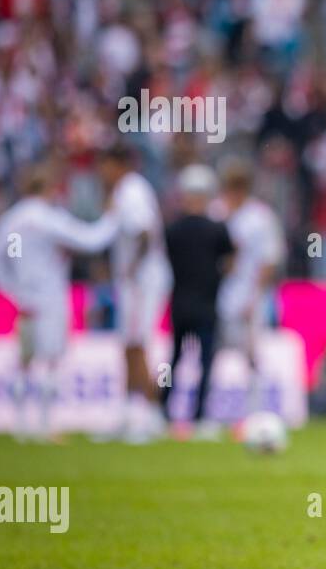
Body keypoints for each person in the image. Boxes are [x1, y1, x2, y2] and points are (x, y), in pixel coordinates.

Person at [0, 162, 118, 442]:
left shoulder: (13, 218)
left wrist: (12, 288)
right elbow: (90, 240)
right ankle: (45, 425)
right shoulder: (48, 218)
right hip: (51, 298)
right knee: (51, 361)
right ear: (48, 188)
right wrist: (113, 217)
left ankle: (20, 427)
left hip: (26, 302)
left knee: (24, 361)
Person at [98, 144, 174, 444]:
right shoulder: (126, 191)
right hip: (136, 281)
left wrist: (132, 268)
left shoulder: (131, 191)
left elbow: (144, 233)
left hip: (142, 281)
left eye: (105, 165)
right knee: (129, 345)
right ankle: (129, 413)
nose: (101, 173)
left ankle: (152, 416)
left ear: (118, 164)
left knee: (137, 344)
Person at [162, 164, 235, 439]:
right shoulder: (217, 229)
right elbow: (230, 262)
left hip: (180, 301)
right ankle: (199, 415)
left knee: (176, 358)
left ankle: (165, 411)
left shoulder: (173, 229)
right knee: (204, 360)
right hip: (206, 302)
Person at [214, 159, 286, 424]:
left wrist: (255, 297)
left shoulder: (260, 218)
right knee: (213, 353)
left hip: (248, 297)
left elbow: (269, 261)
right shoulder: (218, 213)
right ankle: (212, 411)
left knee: (251, 355)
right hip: (220, 295)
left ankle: (256, 411)